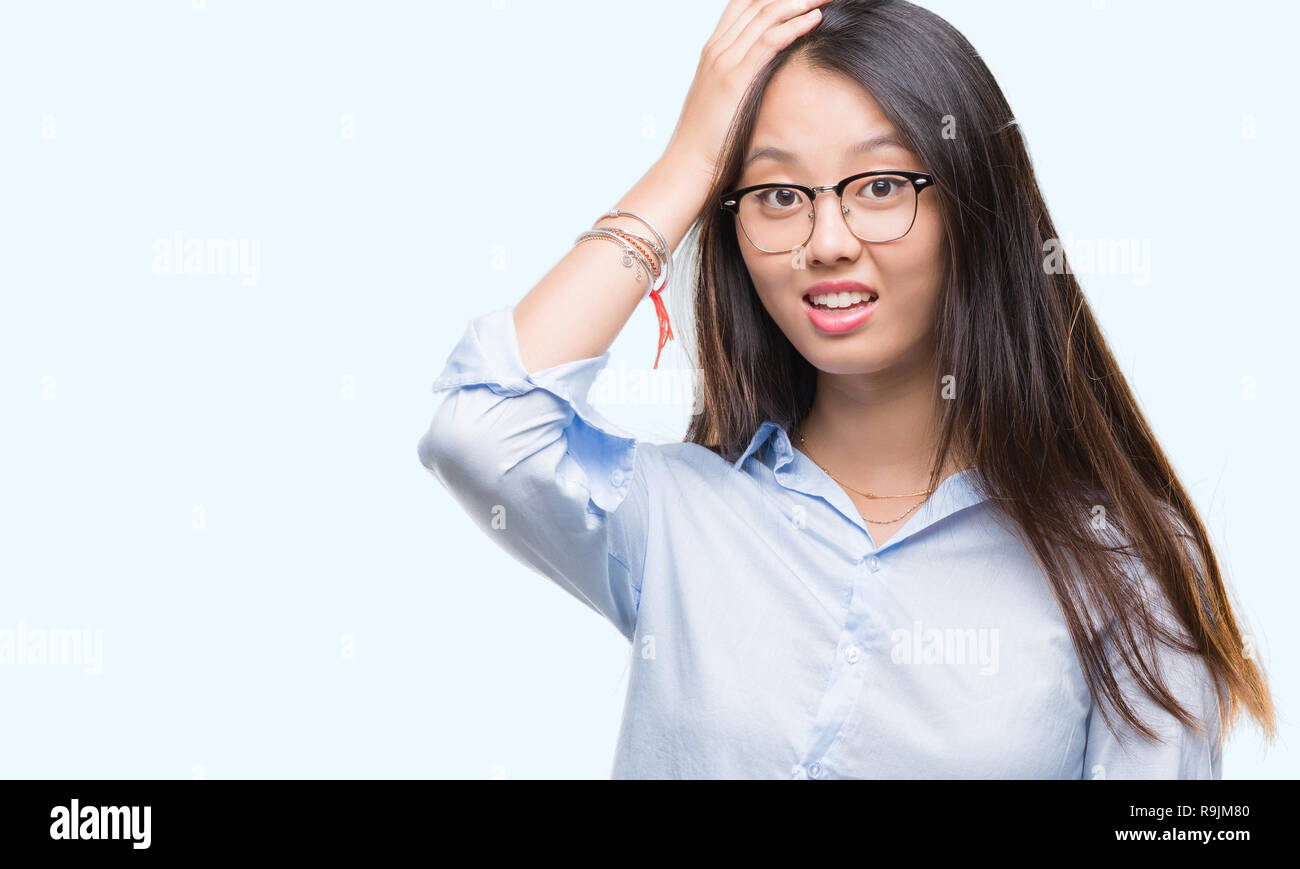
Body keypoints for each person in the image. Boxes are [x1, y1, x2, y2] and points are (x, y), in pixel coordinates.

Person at [417, 0, 1275, 779]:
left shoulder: (1122, 570)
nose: (826, 241)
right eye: (779, 193)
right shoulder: (677, 518)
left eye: (880, 186)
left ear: (973, 207)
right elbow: (481, 428)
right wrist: (686, 164)